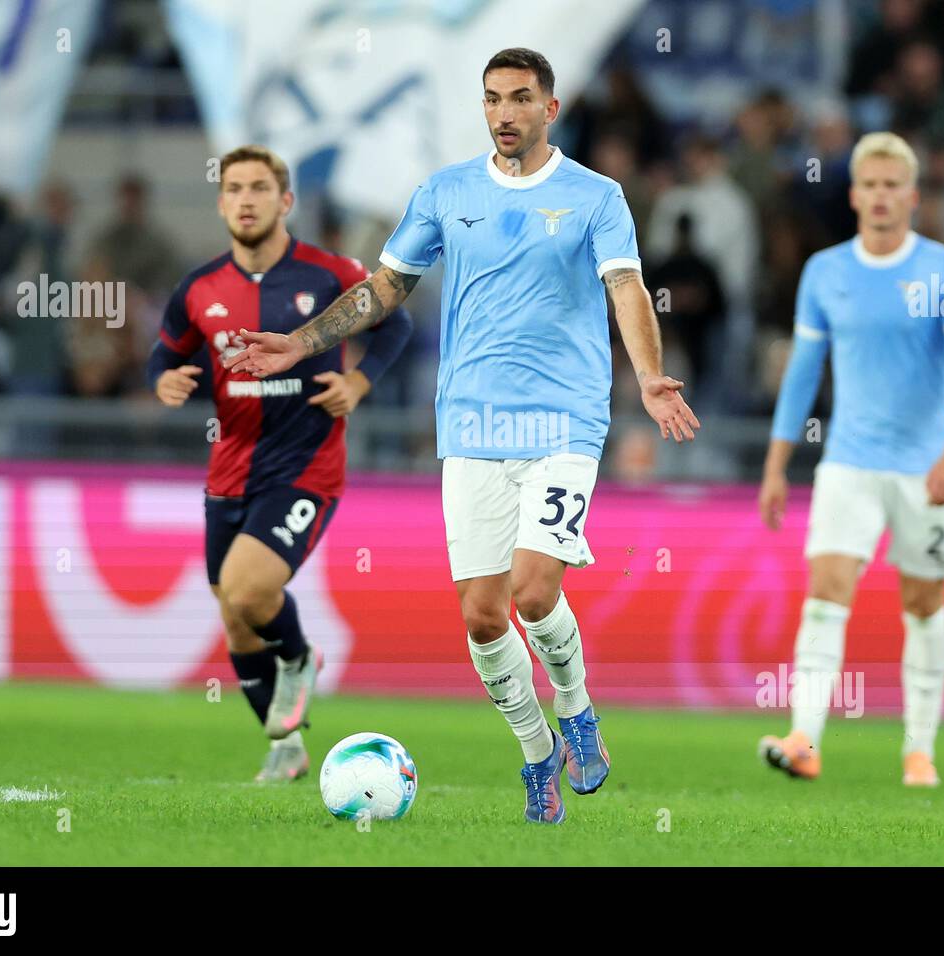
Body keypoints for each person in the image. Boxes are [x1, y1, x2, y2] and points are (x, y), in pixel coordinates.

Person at [225, 48, 699, 823]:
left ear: (551, 108)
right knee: (482, 616)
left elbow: (625, 286)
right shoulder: (446, 192)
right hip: (472, 425)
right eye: (491, 99)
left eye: (519, 98)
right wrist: (302, 341)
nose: (504, 113)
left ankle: (578, 711)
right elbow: (385, 288)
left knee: (535, 590)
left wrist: (648, 375)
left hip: (563, 421)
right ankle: (537, 751)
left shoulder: (595, 195)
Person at [148, 145, 412, 781]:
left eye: (259, 188)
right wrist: (167, 381)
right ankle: (286, 746)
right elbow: (163, 355)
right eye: (234, 188)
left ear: (285, 201)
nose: (245, 199)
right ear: (220, 203)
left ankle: (298, 658)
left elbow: (393, 322)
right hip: (229, 471)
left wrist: (361, 383)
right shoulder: (199, 288)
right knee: (237, 622)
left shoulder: (326, 273)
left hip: (306, 464)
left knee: (248, 588)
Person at [757, 132, 944, 788]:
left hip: (928, 468)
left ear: (912, 196)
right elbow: (803, 373)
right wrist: (777, 464)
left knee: (922, 602)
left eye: (894, 186)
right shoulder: (826, 272)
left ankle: (920, 749)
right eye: (871, 185)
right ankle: (804, 738)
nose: (882, 196)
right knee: (826, 591)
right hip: (849, 462)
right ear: (855, 194)